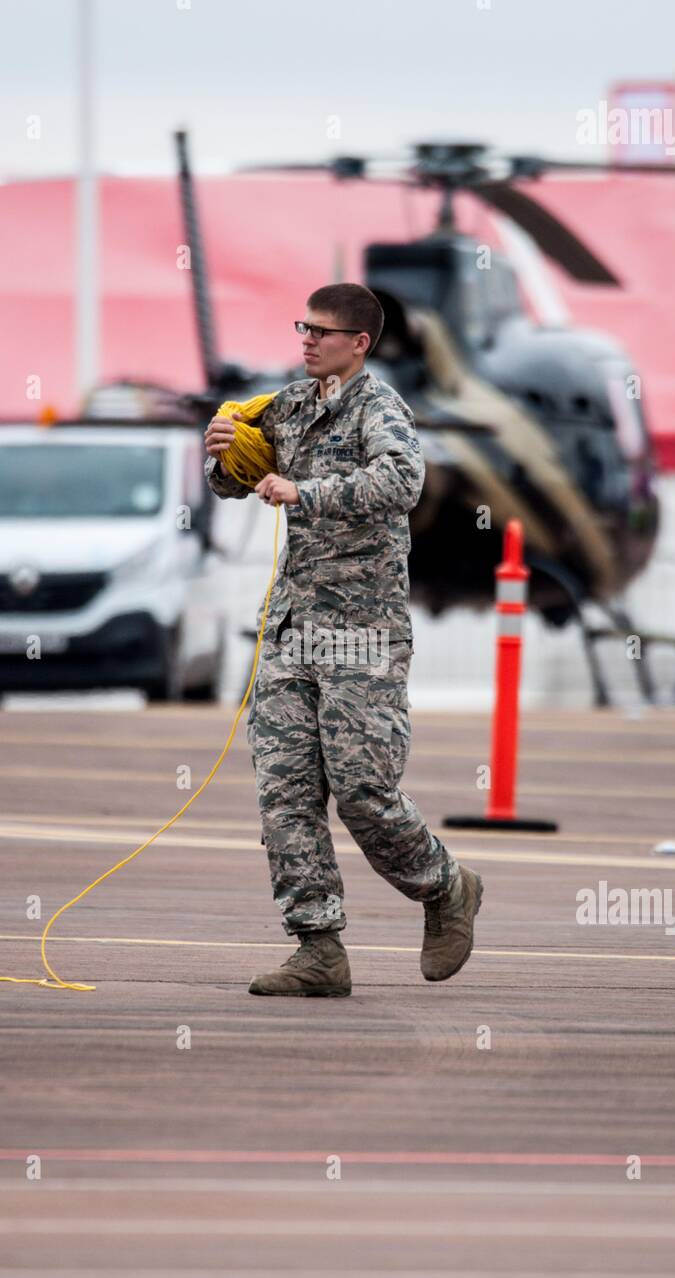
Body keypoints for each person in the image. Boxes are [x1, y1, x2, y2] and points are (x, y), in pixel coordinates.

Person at [203, 282, 482, 997]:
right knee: (285, 791)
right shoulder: (289, 405)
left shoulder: (379, 406)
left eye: (321, 332)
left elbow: (402, 481)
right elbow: (237, 479)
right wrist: (223, 455)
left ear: (359, 343)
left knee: (362, 790)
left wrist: (307, 492)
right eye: (303, 327)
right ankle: (317, 947)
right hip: (294, 627)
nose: (306, 341)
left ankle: (444, 885)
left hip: (361, 632)